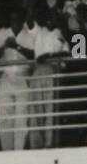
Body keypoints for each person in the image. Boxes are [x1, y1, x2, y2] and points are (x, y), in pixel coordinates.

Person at [0, 6, 35, 150]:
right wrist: (5, 46)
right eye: (12, 20)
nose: (14, 22)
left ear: (22, 21)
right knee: (4, 119)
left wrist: (17, 47)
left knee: (21, 119)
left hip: (23, 78)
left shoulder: (29, 36)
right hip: (5, 78)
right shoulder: (1, 34)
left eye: (17, 20)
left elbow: (33, 56)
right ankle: (7, 152)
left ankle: (19, 153)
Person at [27, 8, 67, 149]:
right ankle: (38, 144)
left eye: (54, 15)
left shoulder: (63, 33)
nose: (51, 19)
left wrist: (50, 56)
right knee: (37, 110)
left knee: (51, 111)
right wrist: (31, 3)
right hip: (38, 71)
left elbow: (76, 54)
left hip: (54, 71)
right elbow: (29, 20)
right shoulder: (39, 31)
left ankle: (50, 144)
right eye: (49, 15)